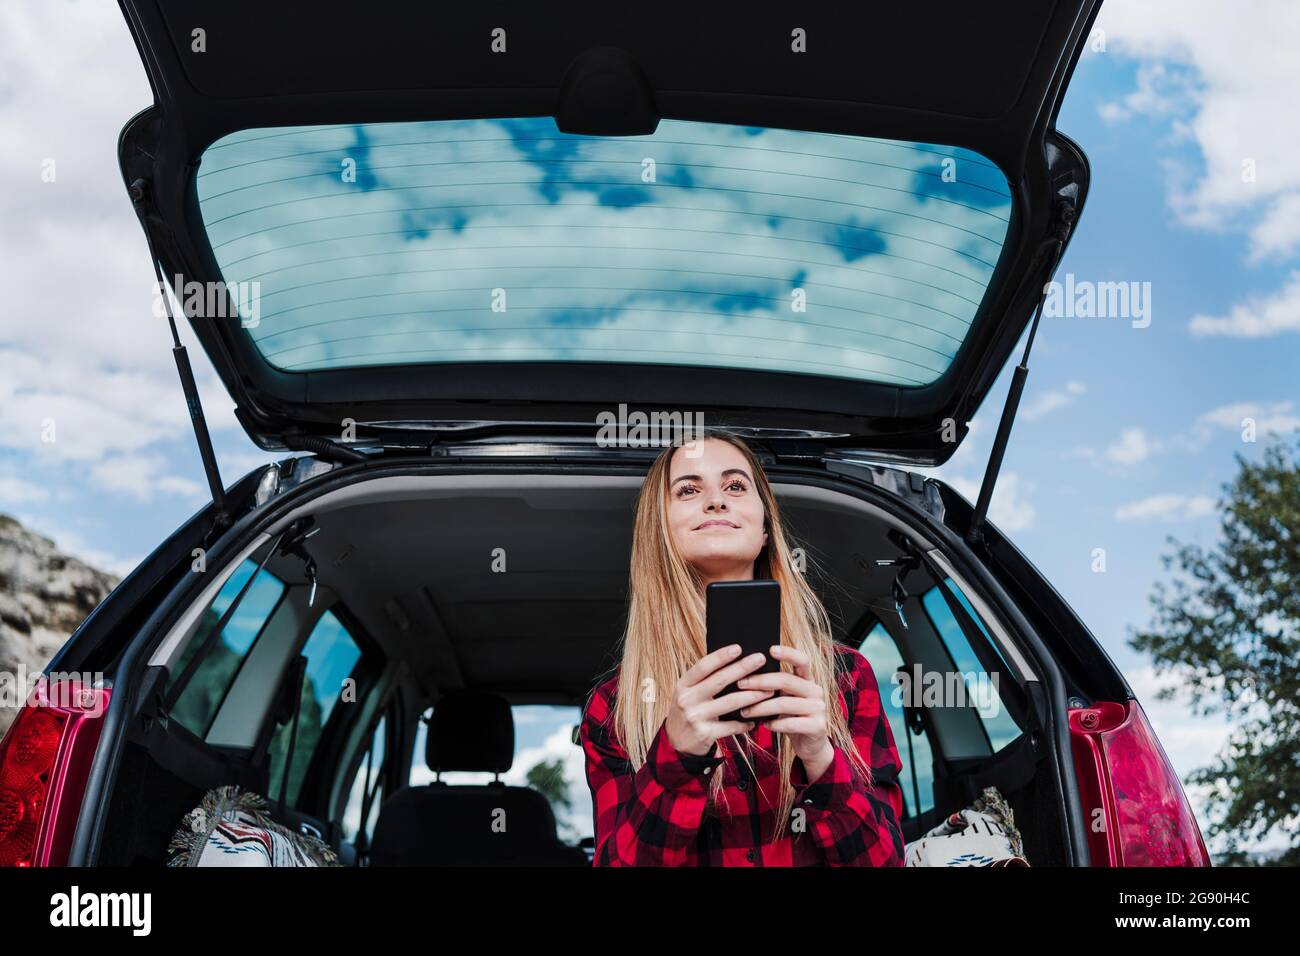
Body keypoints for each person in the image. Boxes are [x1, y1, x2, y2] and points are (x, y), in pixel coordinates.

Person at [578, 427, 905, 866]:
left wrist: (818, 755)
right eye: (689, 490)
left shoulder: (845, 677)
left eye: (735, 485)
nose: (716, 500)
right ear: (660, 530)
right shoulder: (615, 706)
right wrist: (675, 757)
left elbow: (884, 862)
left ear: (766, 526)